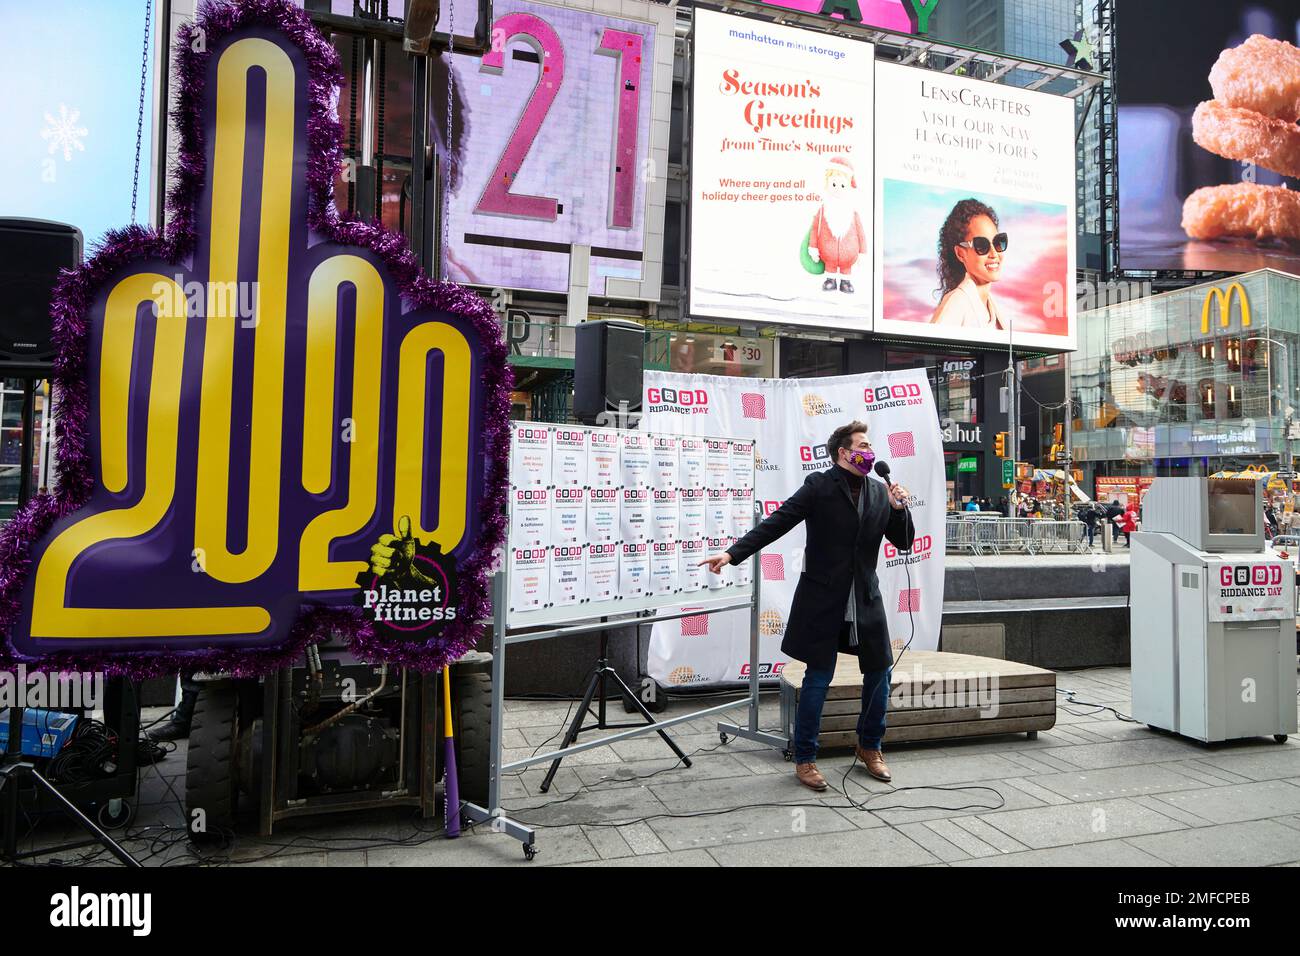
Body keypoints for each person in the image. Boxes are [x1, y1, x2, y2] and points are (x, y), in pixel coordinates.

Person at [699, 422, 914, 791]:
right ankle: (805, 757)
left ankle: (869, 746)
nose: (870, 452)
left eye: (870, 445)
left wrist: (898, 509)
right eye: (863, 445)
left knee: (880, 674)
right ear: (844, 453)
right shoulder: (819, 486)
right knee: (818, 678)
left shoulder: (880, 492)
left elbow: (905, 541)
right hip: (823, 599)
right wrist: (732, 554)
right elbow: (777, 522)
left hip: (865, 600)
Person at [929, 199, 1008, 330]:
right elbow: (929, 349)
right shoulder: (957, 303)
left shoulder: (994, 308)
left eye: (998, 242)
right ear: (961, 253)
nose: (994, 253)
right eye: (982, 245)